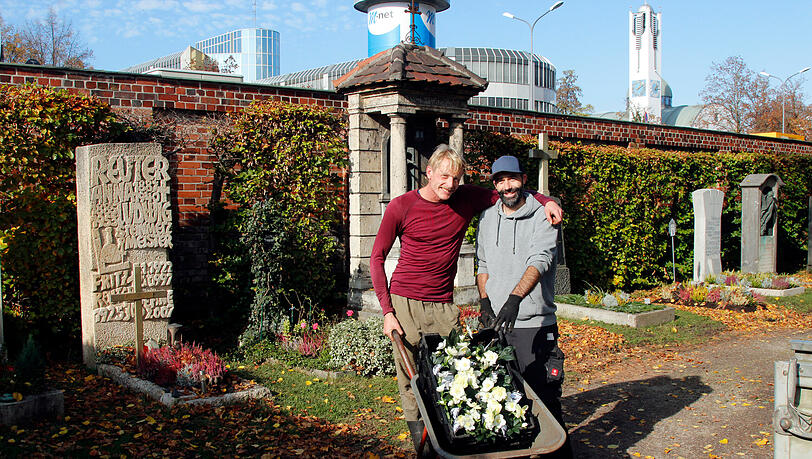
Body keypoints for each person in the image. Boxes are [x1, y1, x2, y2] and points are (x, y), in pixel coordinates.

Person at [370, 145, 563, 454]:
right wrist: (387, 311)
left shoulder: (466, 198)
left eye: (456, 178)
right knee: (411, 382)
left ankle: (452, 442)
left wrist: (548, 200)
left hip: (444, 305)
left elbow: (511, 191)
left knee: (454, 375)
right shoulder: (400, 206)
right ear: (429, 172)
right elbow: (376, 258)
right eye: (444, 176)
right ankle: (425, 450)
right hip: (404, 302)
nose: (450, 184)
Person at [475, 154, 572, 458]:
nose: (508, 186)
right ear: (495, 184)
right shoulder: (488, 217)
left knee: (544, 401)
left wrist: (515, 299)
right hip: (498, 326)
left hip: (533, 323)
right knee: (503, 400)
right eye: (501, 180)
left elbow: (540, 260)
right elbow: (483, 263)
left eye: (512, 179)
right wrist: (485, 300)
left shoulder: (545, 214)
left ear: (524, 180)